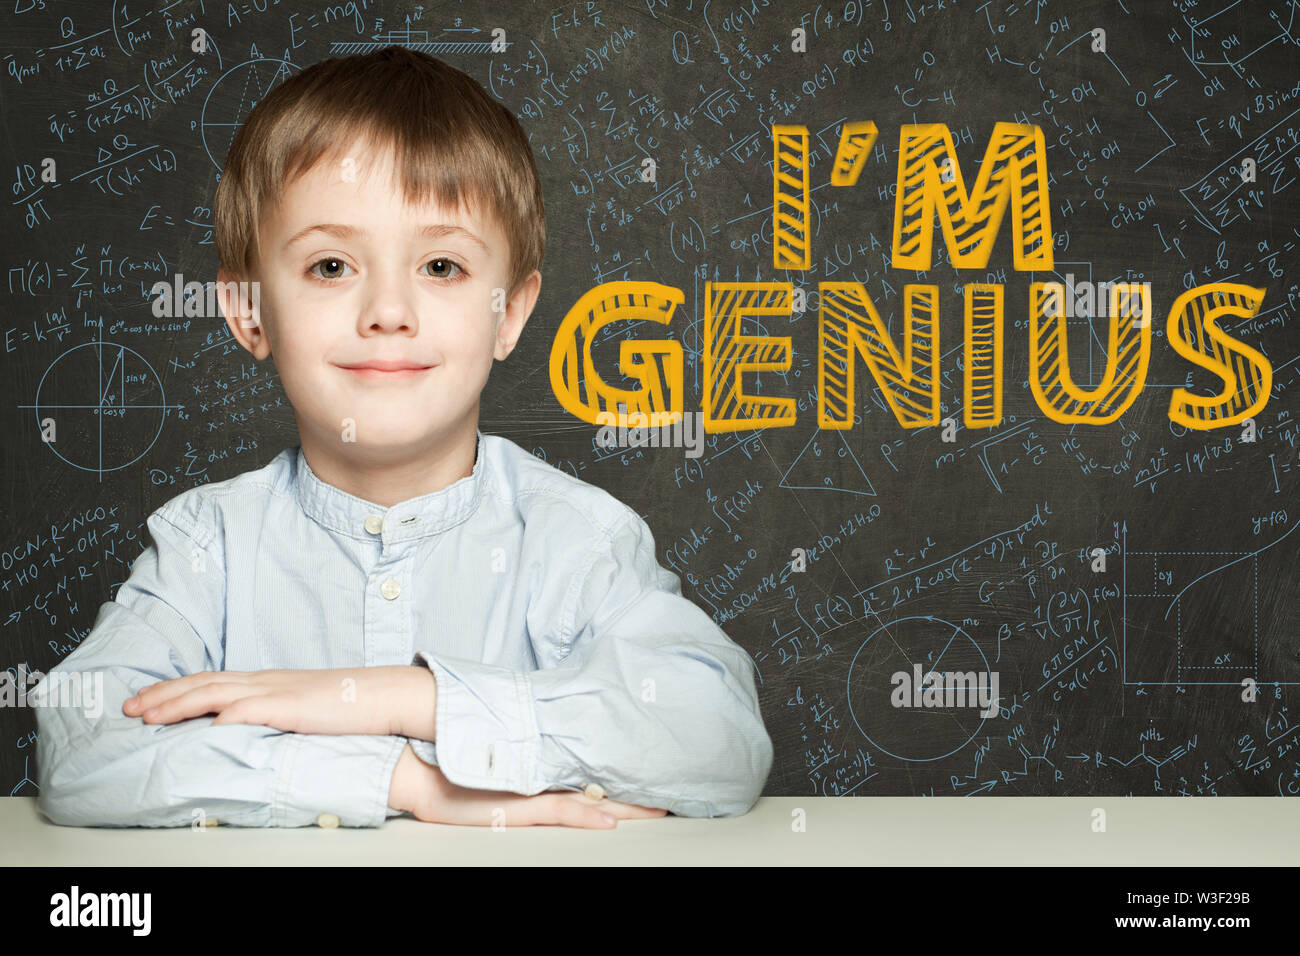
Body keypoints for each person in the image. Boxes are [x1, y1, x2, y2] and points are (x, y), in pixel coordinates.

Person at [31, 46, 773, 829]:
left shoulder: (576, 542)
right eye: (329, 266)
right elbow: (83, 749)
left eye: (443, 265)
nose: (388, 309)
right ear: (249, 311)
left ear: (509, 313)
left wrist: (410, 698)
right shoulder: (206, 547)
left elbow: (719, 737)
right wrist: (406, 781)